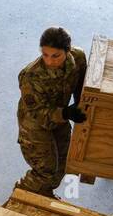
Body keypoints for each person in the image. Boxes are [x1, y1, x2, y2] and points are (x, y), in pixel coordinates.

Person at [15, 26, 88, 196]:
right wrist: (66, 113)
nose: (49, 61)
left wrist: (80, 104)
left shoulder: (78, 57)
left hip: (60, 117)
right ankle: (20, 196)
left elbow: (81, 82)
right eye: (45, 54)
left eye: (56, 55)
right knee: (45, 170)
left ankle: (43, 195)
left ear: (67, 51)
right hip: (34, 124)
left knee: (63, 163)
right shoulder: (30, 76)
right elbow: (37, 112)